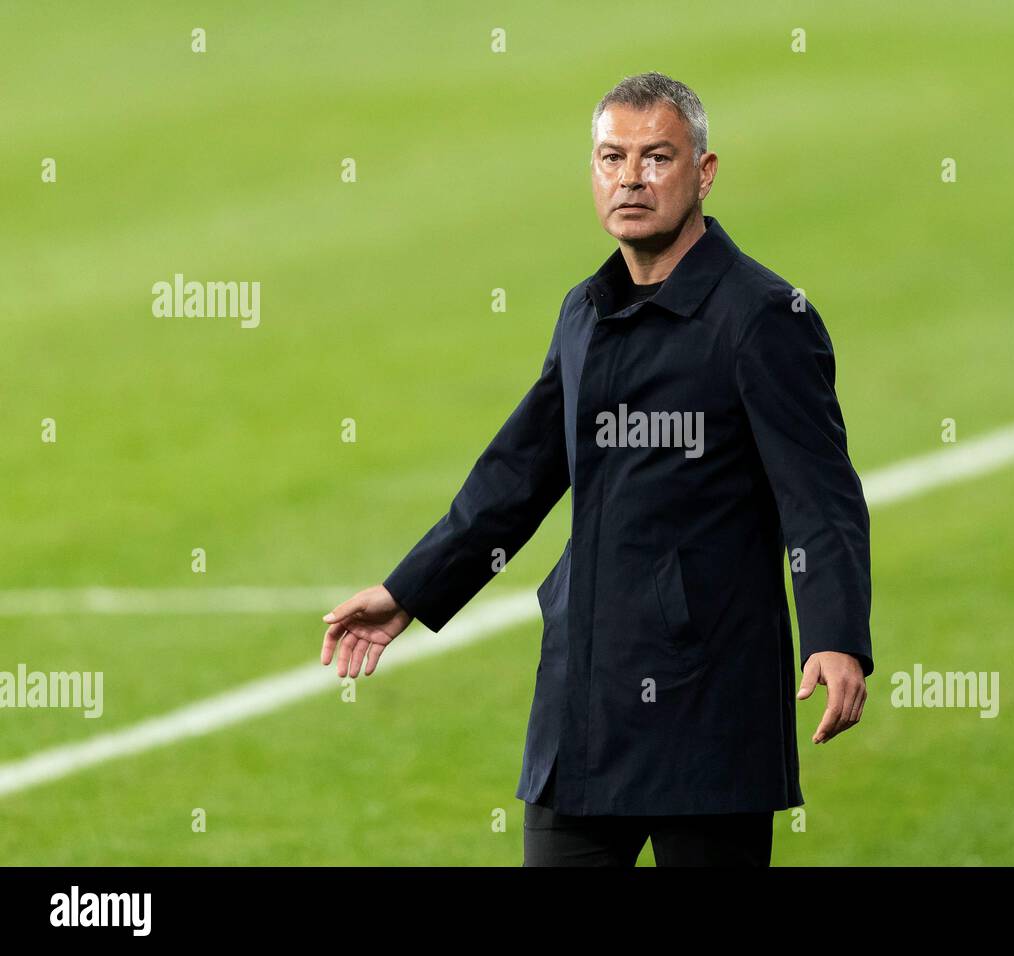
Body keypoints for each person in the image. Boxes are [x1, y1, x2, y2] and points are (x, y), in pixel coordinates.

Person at [321, 71, 873, 866]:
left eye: (657, 158)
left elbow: (820, 497)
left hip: (709, 712)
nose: (632, 179)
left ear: (705, 173)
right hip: (584, 707)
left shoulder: (759, 319)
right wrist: (413, 589)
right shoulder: (586, 312)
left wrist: (836, 634)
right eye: (612, 158)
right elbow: (519, 473)